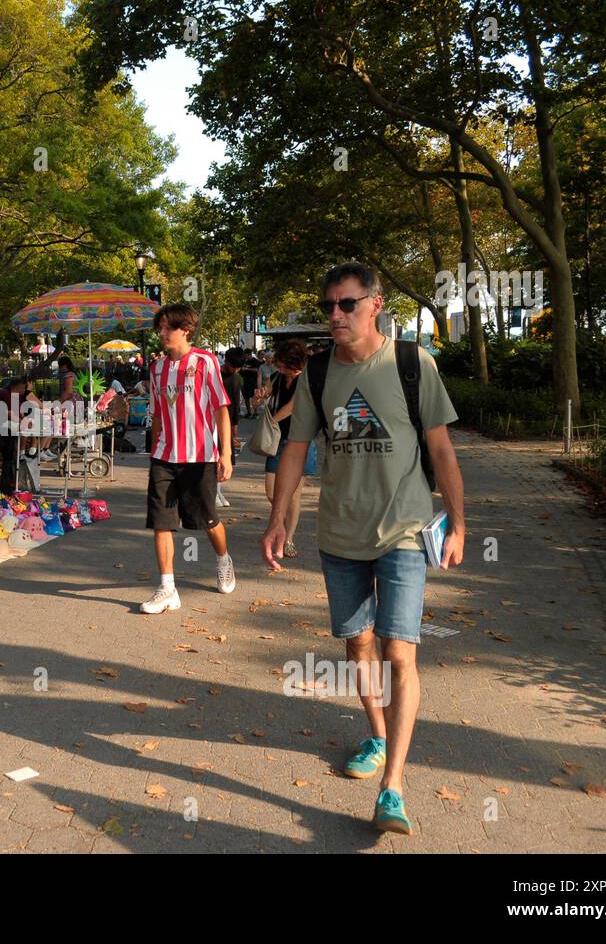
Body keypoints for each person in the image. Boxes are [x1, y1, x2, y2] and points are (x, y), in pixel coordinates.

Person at [261, 262, 465, 837]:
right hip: (340, 535)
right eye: (328, 305)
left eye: (346, 304)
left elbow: (442, 449)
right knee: (358, 646)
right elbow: (296, 449)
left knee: (400, 653)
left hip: (403, 529)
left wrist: (460, 522)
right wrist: (279, 519)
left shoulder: (410, 363)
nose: (335, 315)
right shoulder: (317, 374)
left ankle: (393, 787)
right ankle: (376, 733)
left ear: (375, 305)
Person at [140, 303, 235, 614]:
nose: (162, 333)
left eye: (168, 327)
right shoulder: (156, 368)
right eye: (161, 328)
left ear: (186, 329)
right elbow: (156, 412)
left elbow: (221, 408)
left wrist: (226, 453)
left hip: (200, 456)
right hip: (164, 456)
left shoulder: (206, 362)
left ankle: (223, 559)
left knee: (207, 519)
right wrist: (154, 446)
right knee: (161, 522)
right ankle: (167, 588)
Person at [255, 338, 316, 557]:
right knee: (273, 492)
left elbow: (294, 406)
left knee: (295, 495)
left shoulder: (307, 380)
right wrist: (259, 399)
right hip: (277, 441)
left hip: (299, 441)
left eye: (284, 365)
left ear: (295, 363)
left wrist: (272, 421)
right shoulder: (278, 377)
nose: (280, 369)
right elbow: (262, 399)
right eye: (279, 365)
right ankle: (279, 523)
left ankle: (288, 539)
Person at [218, 347, 246, 507]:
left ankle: (218, 490)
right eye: (232, 366)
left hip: (227, 421)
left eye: (238, 368)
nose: (235, 370)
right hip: (212, 420)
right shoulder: (215, 375)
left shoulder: (236, 378)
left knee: (225, 457)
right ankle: (215, 492)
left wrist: (235, 425)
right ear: (226, 362)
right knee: (214, 458)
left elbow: (235, 403)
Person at [240, 351, 261, 418]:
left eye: (245, 355)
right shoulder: (243, 361)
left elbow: (256, 369)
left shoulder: (255, 361)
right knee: (246, 397)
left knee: (254, 397)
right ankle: (249, 412)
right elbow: (240, 368)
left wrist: (246, 369)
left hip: (253, 381)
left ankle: (255, 412)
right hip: (245, 381)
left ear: (249, 355)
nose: (245, 357)